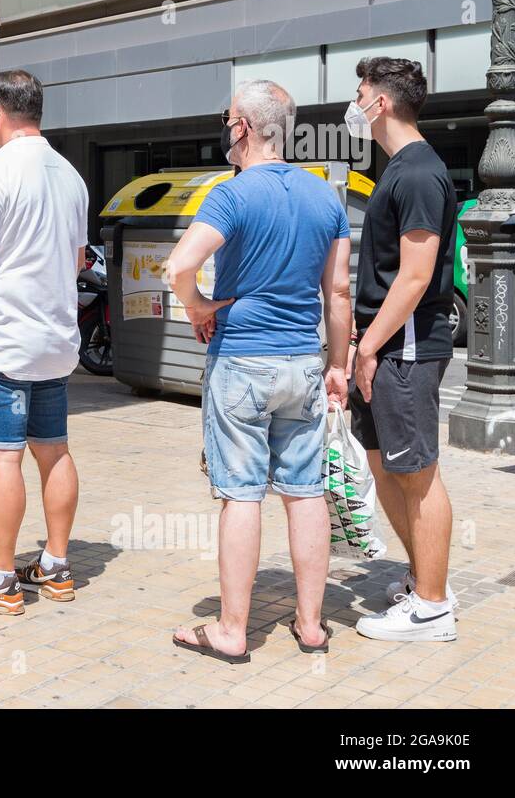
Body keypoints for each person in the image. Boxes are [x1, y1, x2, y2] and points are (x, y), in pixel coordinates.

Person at [167, 81, 351, 664]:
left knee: (242, 495)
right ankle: (313, 624)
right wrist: (339, 365)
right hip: (303, 363)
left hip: (242, 361)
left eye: (229, 120)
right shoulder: (326, 198)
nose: (226, 130)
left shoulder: (233, 194)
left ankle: (230, 629)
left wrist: (197, 306)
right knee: (305, 491)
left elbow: (179, 264)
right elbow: (339, 292)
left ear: (244, 126)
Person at [0, 70, 89, 615]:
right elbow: (76, 260)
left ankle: (0, 580)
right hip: (56, 340)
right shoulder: (71, 175)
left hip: (3, 340)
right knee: (53, 451)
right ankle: (55, 567)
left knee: (2, 459)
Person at [344, 57, 459, 643]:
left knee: (417, 472)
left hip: (405, 345)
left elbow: (414, 277)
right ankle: (424, 578)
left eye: (360, 92)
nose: (355, 103)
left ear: (380, 104)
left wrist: (368, 349)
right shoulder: (400, 168)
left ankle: (433, 608)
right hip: (387, 343)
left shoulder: (417, 172)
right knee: (384, 460)